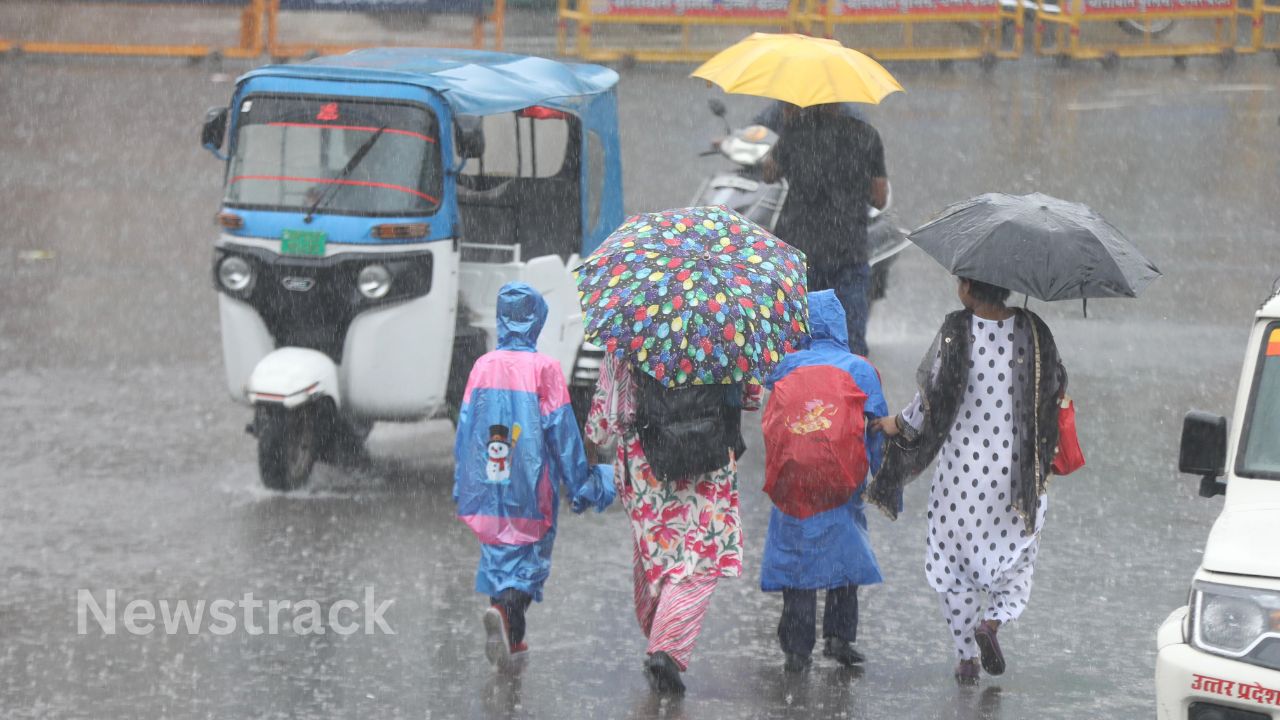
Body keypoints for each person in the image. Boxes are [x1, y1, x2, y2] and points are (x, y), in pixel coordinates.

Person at [867, 278, 1067, 685]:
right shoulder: (1033, 330)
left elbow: (932, 397)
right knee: (1018, 555)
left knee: (953, 564)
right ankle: (992, 622)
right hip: (1014, 474)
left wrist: (896, 424)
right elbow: (1056, 387)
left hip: (961, 474)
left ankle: (965, 658)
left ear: (969, 289)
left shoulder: (958, 330)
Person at [453, 282, 614, 672]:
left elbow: (466, 426)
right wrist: (582, 483)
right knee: (528, 559)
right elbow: (561, 430)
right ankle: (508, 614)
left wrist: (463, 480)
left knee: (497, 550)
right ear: (537, 319)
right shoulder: (545, 370)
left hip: (490, 477)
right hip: (530, 479)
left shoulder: (482, 366)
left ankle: (507, 626)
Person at [584, 357, 762, 695]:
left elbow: (606, 409)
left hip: (645, 456)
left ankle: (657, 626)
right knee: (703, 553)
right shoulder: (726, 326)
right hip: (709, 452)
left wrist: (591, 449)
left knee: (656, 546)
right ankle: (665, 644)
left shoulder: (633, 324)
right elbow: (751, 398)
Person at [760, 290, 889, 673]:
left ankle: (797, 647)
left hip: (793, 478)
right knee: (843, 555)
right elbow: (878, 427)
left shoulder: (785, 366)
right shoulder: (860, 369)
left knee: (796, 560)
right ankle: (839, 636)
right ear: (840, 325)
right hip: (841, 478)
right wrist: (883, 479)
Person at [762, 103, 887, 357]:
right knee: (852, 343)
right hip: (848, 251)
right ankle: (849, 390)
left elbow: (769, 173)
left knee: (799, 339)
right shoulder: (867, 135)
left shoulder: (796, 131)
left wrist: (789, 123)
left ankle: (806, 392)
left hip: (801, 253)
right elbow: (879, 197)